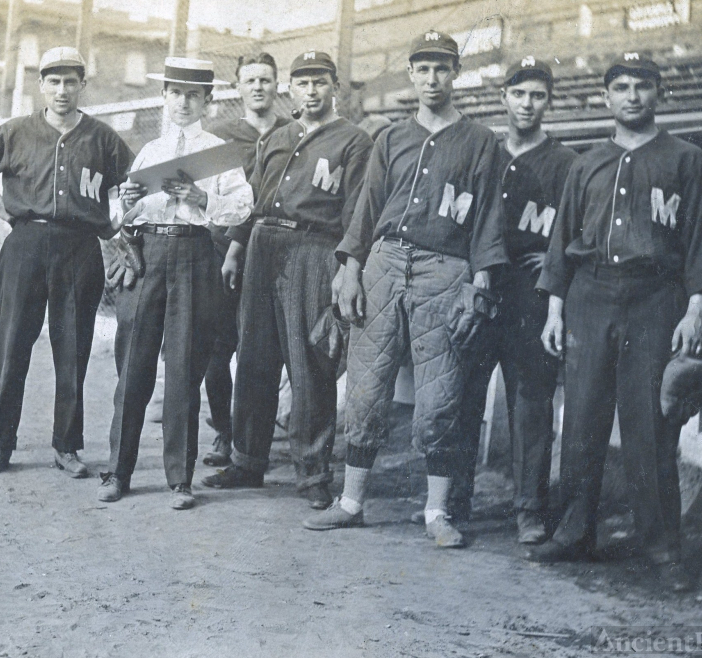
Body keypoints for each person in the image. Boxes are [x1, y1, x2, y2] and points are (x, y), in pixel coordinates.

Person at [527, 53, 702, 593]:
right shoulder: (586, 162)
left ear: (657, 93)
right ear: (606, 96)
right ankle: (574, 532)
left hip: (655, 296)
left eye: (642, 86)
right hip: (590, 294)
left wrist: (697, 306)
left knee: (650, 427)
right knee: (584, 419)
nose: (632, 96)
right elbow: (561, 239)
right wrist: (554, 307)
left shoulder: (686, 158)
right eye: (621, 86)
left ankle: (662, 548)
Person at [302, 32, 508, 547]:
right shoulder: (391, 137)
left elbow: (488, 218)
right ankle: (350, 503)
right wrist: (349, 266)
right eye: (422, 68)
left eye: (441, 68)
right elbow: (365, 209)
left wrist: (481, 279)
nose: (431, 78)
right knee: (367, 390)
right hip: (386, 262)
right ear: (412, 76)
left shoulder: (482, 141)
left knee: (440, 397)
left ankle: (437, 513)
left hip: (446, 269)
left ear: (455, 73)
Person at [201, 51, 374, 509]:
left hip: (313, 250)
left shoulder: (354, 141)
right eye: (302, 83)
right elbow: (253, 200)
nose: (311, 91)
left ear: (334, 86)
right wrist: (237, 248)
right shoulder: (279, 137)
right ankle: (246, 460)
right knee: (255, 358)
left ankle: (313, 473)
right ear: (290, 90)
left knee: (309, 364)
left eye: (320, 82)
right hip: (262, 247)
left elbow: (358, 211)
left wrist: (347, 266)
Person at [0, 47, 134, 476]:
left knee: (73, 348)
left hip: (79, 245)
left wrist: (113, 223)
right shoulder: (17, 131)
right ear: (41, 85)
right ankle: (0, 443)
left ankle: (67, 446)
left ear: (82, 86)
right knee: (14, 344)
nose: (62, 90)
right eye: (53, 81)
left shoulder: (102, 138)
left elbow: (136, 181)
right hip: (26, 243)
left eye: (71, 81)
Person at [100, 58, 253, 510]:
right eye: (175, 93)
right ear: (165, 97)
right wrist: (127, 202)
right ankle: (118, 471)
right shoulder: (149, 151)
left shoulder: (219, 152)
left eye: (193, 94)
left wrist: (201, 196)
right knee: (134, 366)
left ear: (208, 100)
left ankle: (180, 480)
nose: (183, 102)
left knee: (185, 364)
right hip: (149, 255)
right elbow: (120, 219)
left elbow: (242, 209)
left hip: (193, 255)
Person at [450, 58, 577, 543]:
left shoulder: (565, 163)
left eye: (537, 95)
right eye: (519, 94)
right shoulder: (484, 152)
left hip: (530, 296)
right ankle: (457, 500)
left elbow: (576, 230)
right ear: (504, 97)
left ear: (549, 100)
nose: (527, 104)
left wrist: (552, 256)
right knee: (464, 397)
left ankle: (529, 508)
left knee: (531, 403)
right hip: (481, 289)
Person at [201, 52, 291, 467]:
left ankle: (254, 440)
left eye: (266, 80)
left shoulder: (295, 132)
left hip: (274, 254)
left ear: (277, 85)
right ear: (237, 87)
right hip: (223, 253)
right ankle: (224, 430)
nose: (258, 87)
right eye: (250, 80)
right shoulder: (218, 134)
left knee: (263, 353)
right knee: (218, 352)